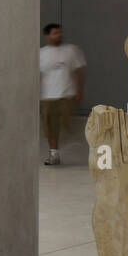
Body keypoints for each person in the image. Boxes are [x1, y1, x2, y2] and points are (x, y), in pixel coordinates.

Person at [39, 22, 85, 166]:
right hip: (48, 97)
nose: (59, 35)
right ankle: (54, 154)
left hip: (67, 96)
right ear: (47, 36)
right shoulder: (41, 54)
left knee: (67, 126)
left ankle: (76, 149)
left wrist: (79, 91)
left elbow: (79, 71)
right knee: (51, 127)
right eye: (55, 33)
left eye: (60, 32)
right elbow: (39, 76)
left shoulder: (71, 51)